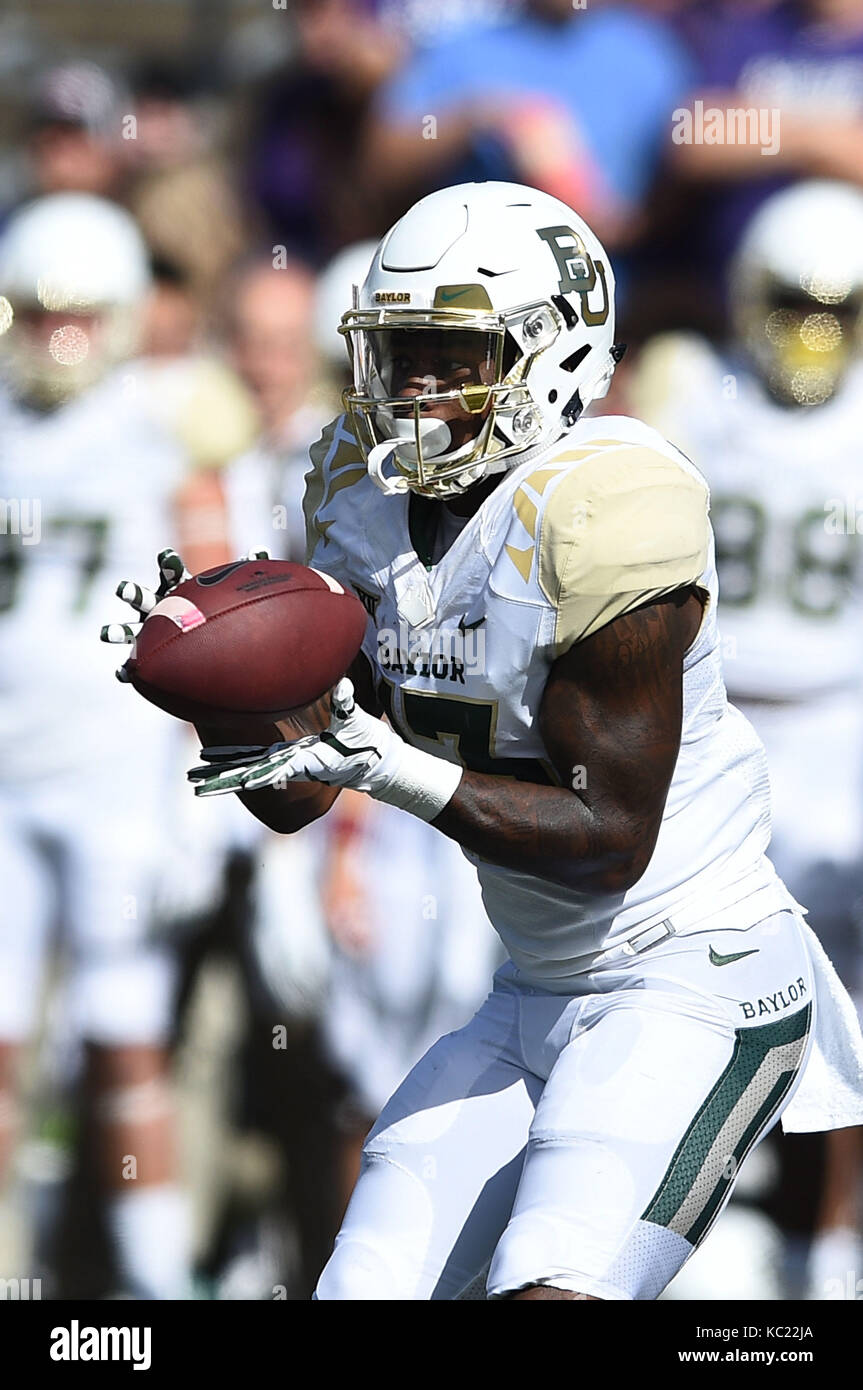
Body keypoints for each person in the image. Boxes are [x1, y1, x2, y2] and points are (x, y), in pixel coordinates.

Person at [108, 181, 863, 1301]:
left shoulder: (605, 503)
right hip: (530, 989)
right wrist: (227, 694)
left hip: (694, 979)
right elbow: (300, 790)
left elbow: (607, 833)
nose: (412, 388)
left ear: (552, 352)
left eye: (449, 357)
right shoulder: (356, 495)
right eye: (398, 351)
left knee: (549, 1289)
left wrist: (391, 767)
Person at [629, 178, 863, 1298]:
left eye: (838, 309)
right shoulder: (691, 392)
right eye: (790, 303)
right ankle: (707, 1235)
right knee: (702, 992)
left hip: (841, 726)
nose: (812, 337)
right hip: (716, 733)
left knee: (844, 1011)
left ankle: (829, 1246)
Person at [0, 193, 226, 1298]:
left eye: (79, 314)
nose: (59, 340)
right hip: (2, 778)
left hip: (111, 776)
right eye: (36, 316)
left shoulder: (164, 418)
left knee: (122, 1040)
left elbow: (218, 603)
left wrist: (201, 774)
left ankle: (155, 1286)